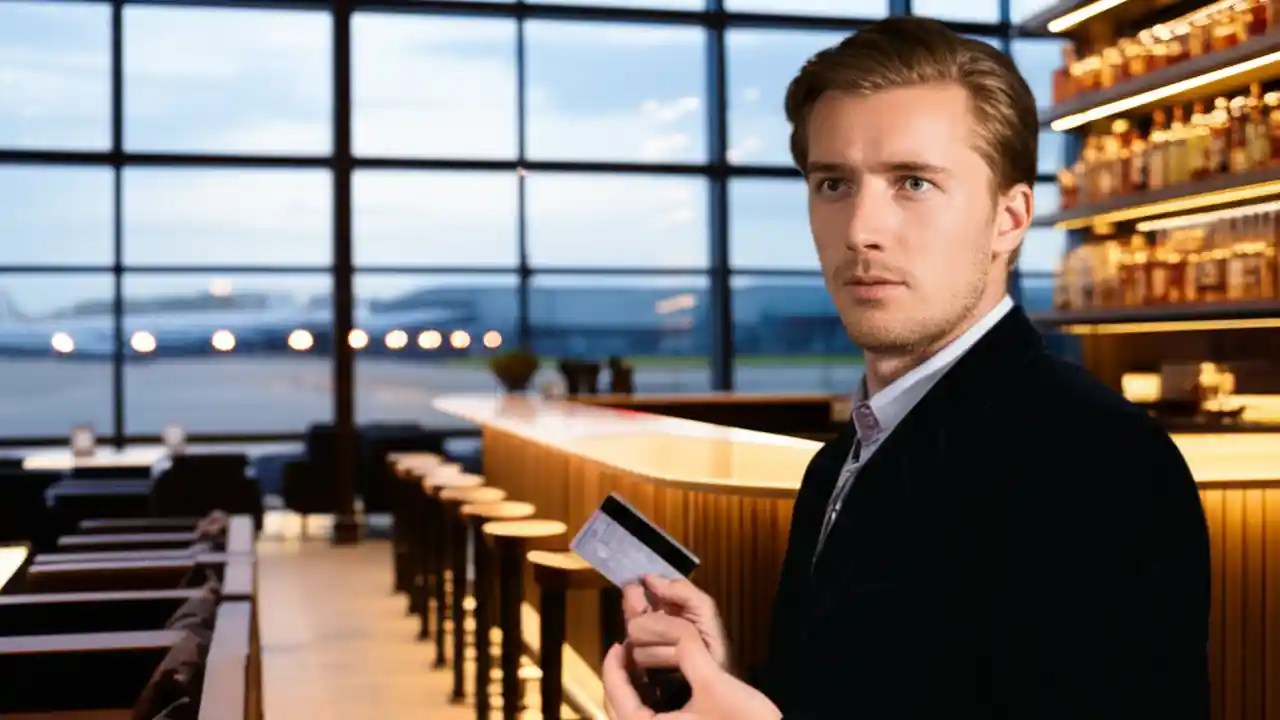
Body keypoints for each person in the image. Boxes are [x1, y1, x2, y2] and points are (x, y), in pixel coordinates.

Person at [605, 16, 1210, 720]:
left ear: (1010, 218)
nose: (862, 229)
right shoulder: (836, 465)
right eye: (833, 184)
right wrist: (728, 681)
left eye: (913, 183)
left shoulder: (1103, 464)